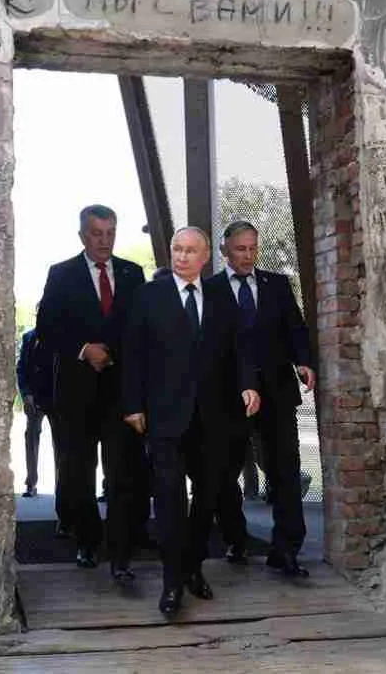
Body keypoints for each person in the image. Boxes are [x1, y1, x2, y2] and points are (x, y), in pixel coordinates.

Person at [121, 226, 261, 616]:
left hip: (213, 418)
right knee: (168, 501)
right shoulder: (148, 296)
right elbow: (133, 353)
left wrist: (248, 385)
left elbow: (240, 346)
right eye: (177, 250)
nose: (182, 257)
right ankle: (171, 584)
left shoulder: (220, 296)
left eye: (190, 251)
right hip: (165, 419)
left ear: (205, 258)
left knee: (208, 500)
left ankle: (192, 568)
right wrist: (133, 405)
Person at [36, 204, 147, 576]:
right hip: (76, 392)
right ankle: (87, 540)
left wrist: (114, 354)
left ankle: (120, 550)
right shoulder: (62, 274)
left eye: (111, 233)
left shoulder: (133, 273)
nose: (105, 241)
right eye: (97, 233)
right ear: (83, 235)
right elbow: (47, 329)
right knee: (78, 471)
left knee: (122, 472)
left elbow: (142, 327)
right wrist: (84, 350)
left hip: (121, 391)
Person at [207, 220, 316, 577]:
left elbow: (296, 329)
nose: (249, 256)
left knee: (285, 471)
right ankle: (236, 538)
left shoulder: (278, 285)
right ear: (224, 249)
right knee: (224, 474)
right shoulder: (208, 291)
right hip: (228, 397)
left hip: (277, 393)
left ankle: (286, 550)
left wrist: (303, 362)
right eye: (241, 249)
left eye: (254, 248)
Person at [16, 304, 56, 498]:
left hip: (57, 399)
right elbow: (21, 368)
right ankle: (31, 483)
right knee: (31, 439)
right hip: (34, 399)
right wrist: (26, 394)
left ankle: (62, 486)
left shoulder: (61, 338)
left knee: (62, 444)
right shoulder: (28, 338)